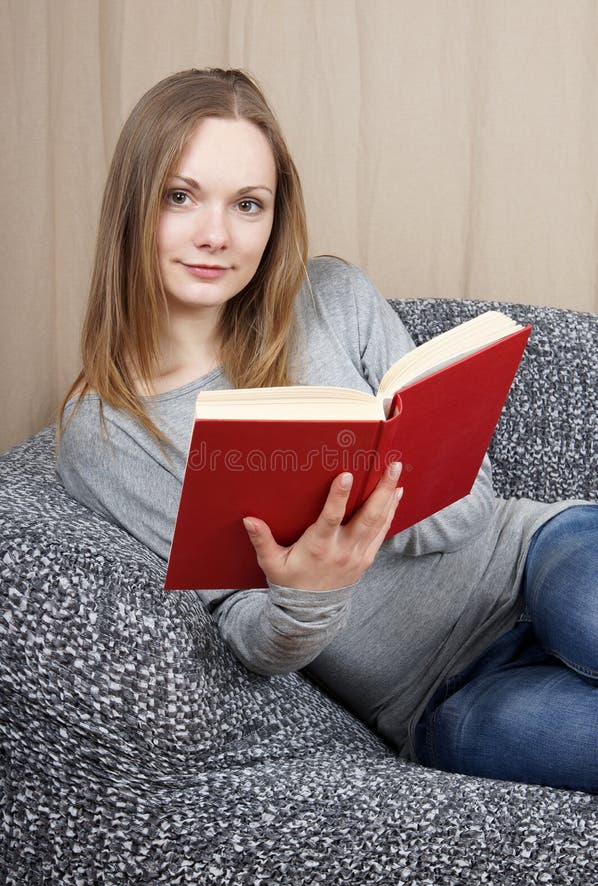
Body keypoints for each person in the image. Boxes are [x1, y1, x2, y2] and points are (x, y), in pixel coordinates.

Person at [57, 68, 597, 793]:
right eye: (181, 197)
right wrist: (310, 587)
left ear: (275, 216)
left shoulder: (333, 296)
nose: (215, 236)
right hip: (438, 695)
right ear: (134, 205)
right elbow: (247, 631)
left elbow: (473, 499)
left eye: (248, 204)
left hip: (531, 556)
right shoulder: (106, 434)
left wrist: (373, 513)